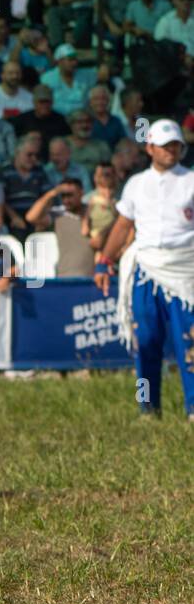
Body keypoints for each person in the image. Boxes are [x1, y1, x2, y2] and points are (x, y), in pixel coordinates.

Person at [97, 118, 194, 420]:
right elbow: (123, 224)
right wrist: (104, 260)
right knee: (145, 342)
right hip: (147, 268)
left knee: (189, 342)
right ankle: (147, 408)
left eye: (176, 145)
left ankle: (193, 408)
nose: (171, 151)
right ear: (149, 147)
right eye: (165, 146)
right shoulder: (136, 183)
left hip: (187, 268)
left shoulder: (191, 179)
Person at [26, 177, 94, 279]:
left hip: (95, 276)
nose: (66, 200)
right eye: (63, 195)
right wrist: (52, 193)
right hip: (66, 276)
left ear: (81, 193)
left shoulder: (93, 212)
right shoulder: (58, 214)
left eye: (70, 195)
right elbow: (31, 217)